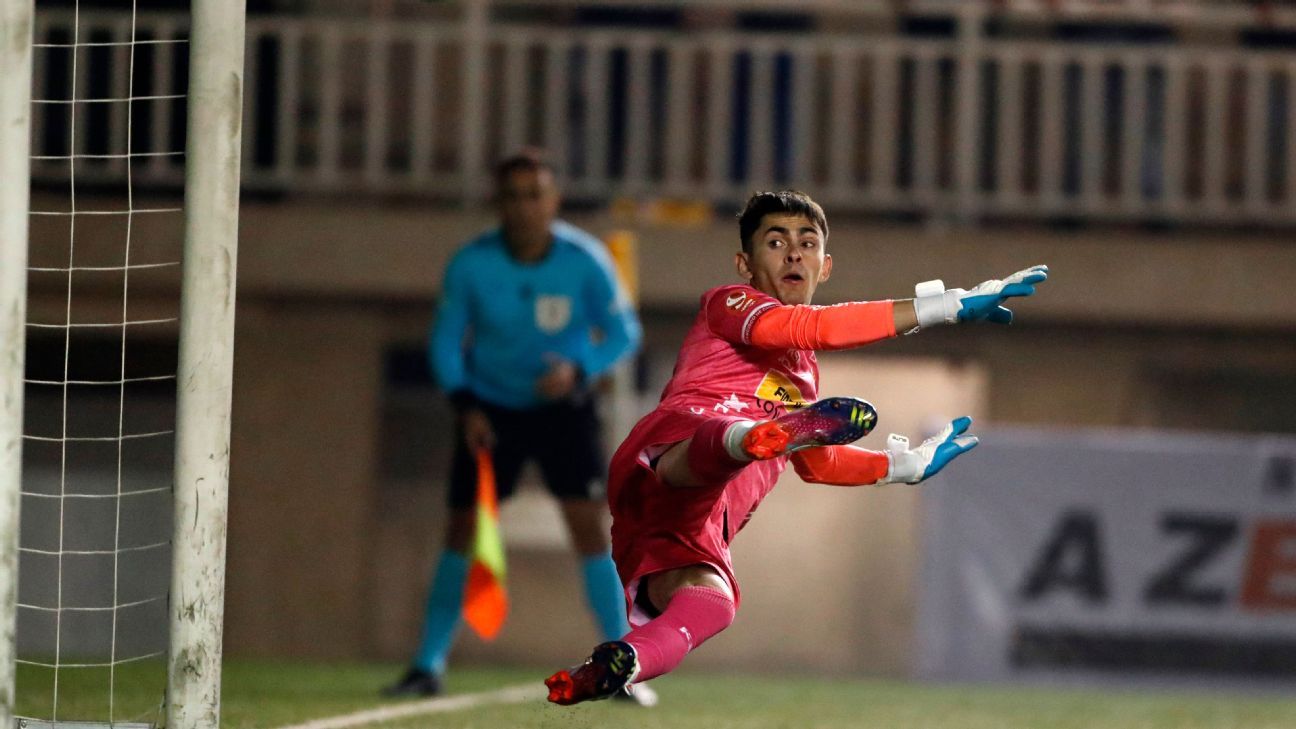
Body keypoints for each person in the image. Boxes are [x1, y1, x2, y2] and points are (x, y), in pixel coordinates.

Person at [544, 190, 1048, 705]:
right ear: (744, 263)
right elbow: (808, 327)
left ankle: (622, 664)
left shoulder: (803, 378)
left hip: (689, 525)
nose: (793, 254)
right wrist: (942, 306)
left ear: (824, 267)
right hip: (672, 450)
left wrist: (903, 465)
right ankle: (746, 439)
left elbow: (818, 463)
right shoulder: (729, 303)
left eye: (807, 244)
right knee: (721, 442)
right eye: (776, 242)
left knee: (712, 600)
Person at [385, 150, 652, 704]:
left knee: (590, 529)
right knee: (462, 530)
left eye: (536, 194)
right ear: (498, 202)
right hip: (490, 412)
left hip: (565, 411)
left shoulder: (585, 260)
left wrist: (578, 369)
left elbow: (624, 333)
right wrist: (465, 405)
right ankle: (427, 664)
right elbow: (445, 342)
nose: (526, 206)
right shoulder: (471, 264)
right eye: (514, 195)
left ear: (554, 200)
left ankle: (622, 665)